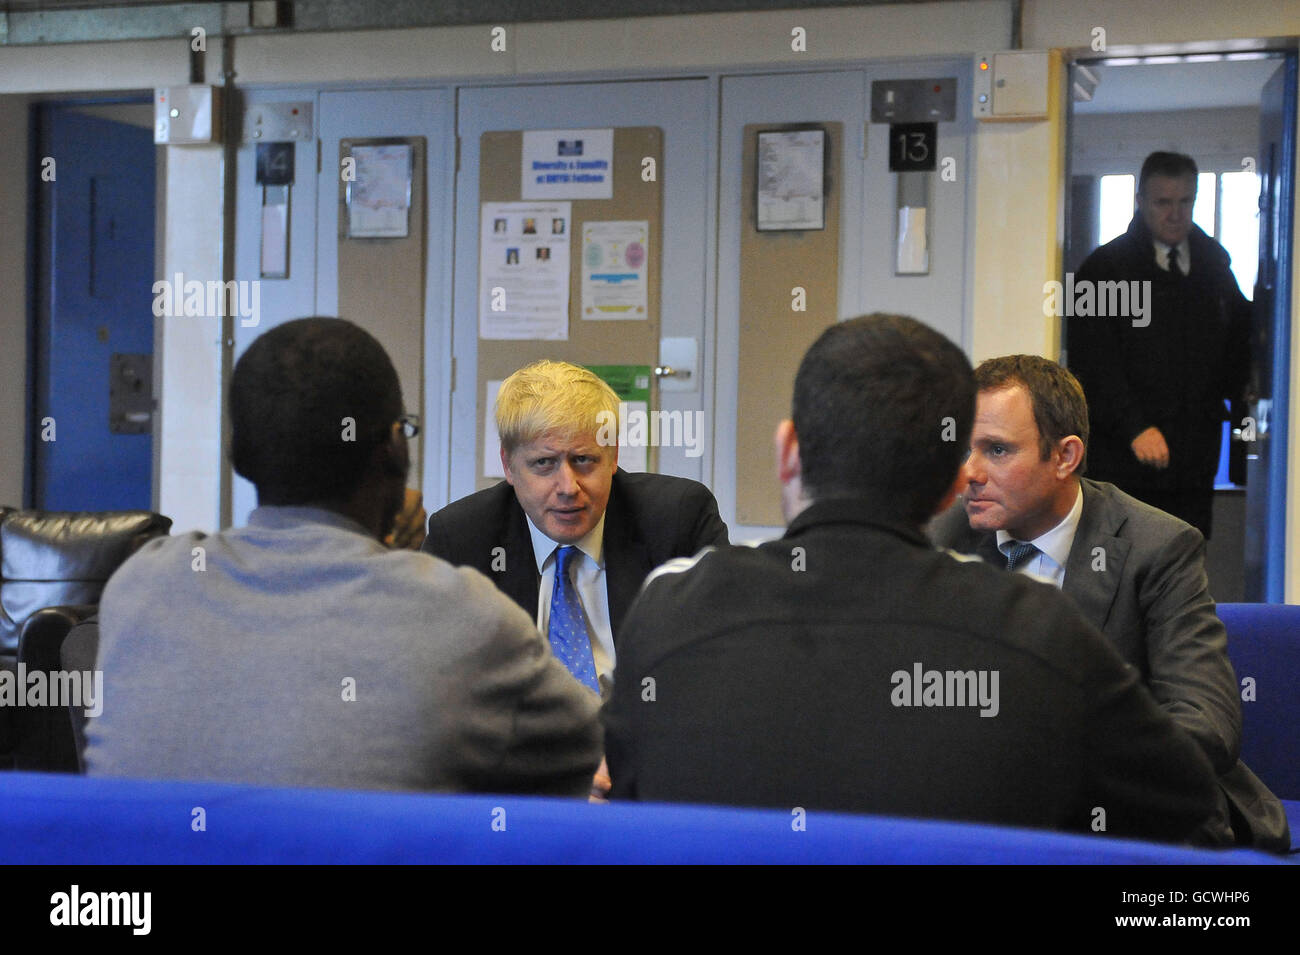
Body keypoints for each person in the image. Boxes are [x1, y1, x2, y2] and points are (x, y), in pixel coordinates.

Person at [603, 314, 1219, 843]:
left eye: (998, 451)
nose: (979, 473)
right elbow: (1179, 798)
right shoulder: (1035, 626)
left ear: (788, 451)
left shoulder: (667, 607)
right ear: (954, 482)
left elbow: (623, 795)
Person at [86, 318, 601, 796]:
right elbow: (588, 762)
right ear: (396, 448)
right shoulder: (461, 613)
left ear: (239, 455)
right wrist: (395, 571)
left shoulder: (141, 584)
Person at [927, 354, 1290, 852]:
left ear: (1064, 456)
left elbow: (1207, 725)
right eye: (964, 449)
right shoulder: (942, 537)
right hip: (985, 810)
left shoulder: (1157, 547)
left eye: (997, 450)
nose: (969, 473)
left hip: (1131, 812)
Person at [423, 360, 727, 697]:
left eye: (583, 460)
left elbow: (723, 660)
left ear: (612, 456)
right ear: (508, 465)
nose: (568, 487)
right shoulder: (462, 539)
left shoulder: (678, 520)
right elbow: (434, 683)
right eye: (544, 463)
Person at [1066, 151, 1251, 538]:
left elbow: (1238, 344)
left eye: (1185, 201)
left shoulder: (1215, 265)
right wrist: (1134, 426)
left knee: (1187, 553)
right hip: (1124, 454)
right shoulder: (1105, 268)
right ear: (1140, 201)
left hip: (1195, 453)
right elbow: (1092, 361)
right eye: (1163, 202)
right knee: (1124, 559)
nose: (1175, 214)